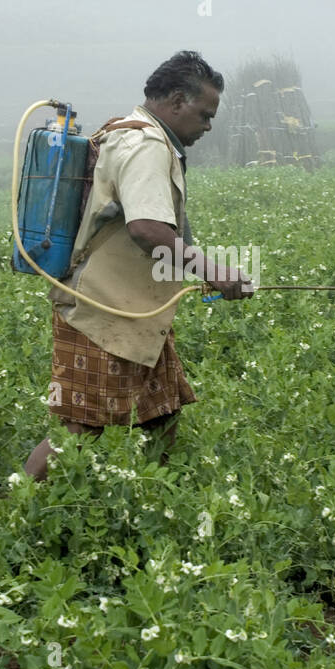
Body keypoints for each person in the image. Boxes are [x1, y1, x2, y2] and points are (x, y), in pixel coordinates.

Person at [23, 51, 254, 482]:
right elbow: (147, 229)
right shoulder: (146, 144)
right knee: (78, 428)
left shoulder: (130, 131)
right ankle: (17, 513)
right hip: (103, 310)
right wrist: (213, 271)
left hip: (134, 314)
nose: (208, 126)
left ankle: (155, 497)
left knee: (162, 412)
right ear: (177, 101)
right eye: (205, 115)